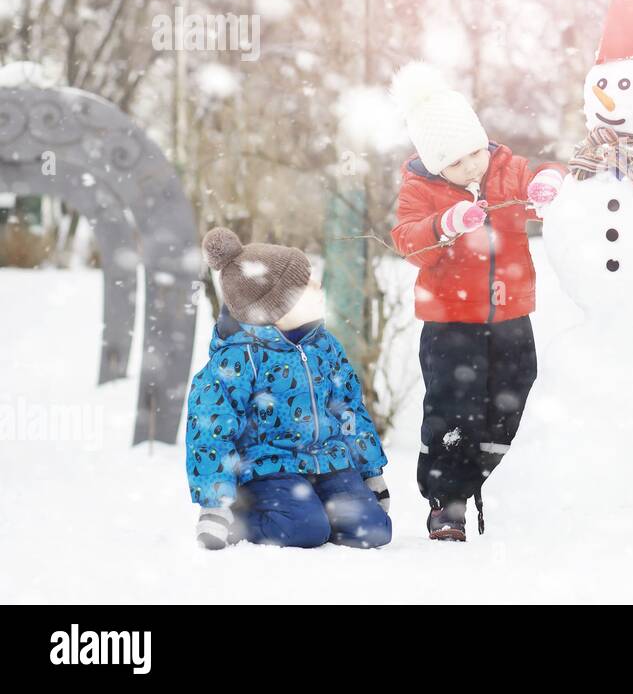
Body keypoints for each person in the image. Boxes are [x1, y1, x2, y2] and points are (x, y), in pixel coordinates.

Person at [390, 61, 565, 541]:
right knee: (453, 406)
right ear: (433, 161)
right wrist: (444, 226)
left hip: (510, 313)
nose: (471, 166)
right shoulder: (420, 189)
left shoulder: (505, 170)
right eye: (456, 162)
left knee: (515, 388)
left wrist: (548, 186)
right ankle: (447, 500)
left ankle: (495, 474)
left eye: (475, 152)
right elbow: (408, 241)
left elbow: (542, 180)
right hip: (450, 322)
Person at [185, 227, 391, 550]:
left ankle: (316, 509)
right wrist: (215, 502)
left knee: (374, 528)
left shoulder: (323, 345)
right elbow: (209, 427)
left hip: (327, 462)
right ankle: (246, 514)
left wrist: (370, 472)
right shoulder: (240, 358)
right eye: (305, 286)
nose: (318, 285)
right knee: (305, 529)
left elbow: (349, 407)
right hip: (268, 469)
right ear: (275, 310)